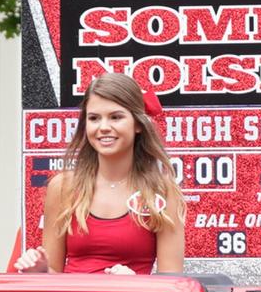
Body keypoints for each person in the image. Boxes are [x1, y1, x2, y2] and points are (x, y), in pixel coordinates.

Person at [14, 73, 185, 275]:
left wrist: (137, 285)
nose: (103, 127)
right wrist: (39, 270)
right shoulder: (63, 186)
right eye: (94, 118)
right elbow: (53, 274)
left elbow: (172, 281)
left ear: (138, 124)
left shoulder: (161, 190)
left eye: (116, 117)